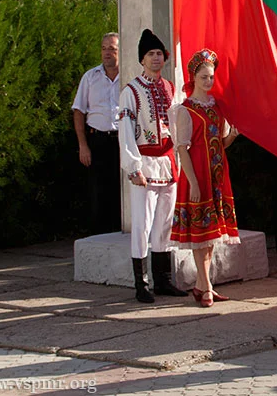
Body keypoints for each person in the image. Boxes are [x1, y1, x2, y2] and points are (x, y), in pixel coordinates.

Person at [118, 29, 187, 303]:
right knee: (142, 225)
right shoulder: (131, 91)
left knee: (164, 224)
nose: (156, 58)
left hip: (168, 163)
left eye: (159, 53)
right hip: (144, 164)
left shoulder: (171, 88)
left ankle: (163, 280)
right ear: (142, 59)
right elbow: (125, 129)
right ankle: (141, 284)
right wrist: (133, 168)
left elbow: (179, 126)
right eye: (151, 54)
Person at [170, 49, 241, 307]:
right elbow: (182, 148)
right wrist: (194, 183)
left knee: (212, 234)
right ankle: (206, 285)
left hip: (217, 173)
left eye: (211, 77)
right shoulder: (185, 109)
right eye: (203, 77)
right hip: (197, 174)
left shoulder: (216, 106)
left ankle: (202, 283)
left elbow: (219, 142)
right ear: (193, 78)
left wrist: (231, 137)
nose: (208, 82)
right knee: (200, 233)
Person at [72, 32, 122, 234]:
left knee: (122, 192)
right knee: (98, 192)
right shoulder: (90, 77)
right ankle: (98, 237)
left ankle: (122, 235)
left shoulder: (131, 76)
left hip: (122, 140)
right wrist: (83, 145)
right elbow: (78, 111)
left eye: (112, 48)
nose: (106, 53)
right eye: (104, 48)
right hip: (97, 140)